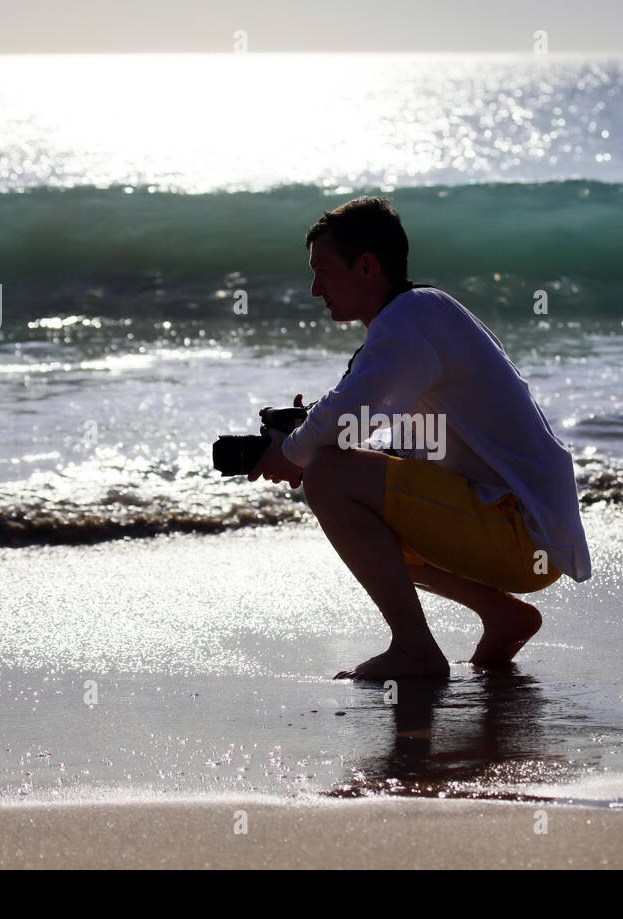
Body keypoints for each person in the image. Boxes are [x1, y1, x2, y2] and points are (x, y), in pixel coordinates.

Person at [249, 195, 591, 680]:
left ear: (366, 266)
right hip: (522, 533)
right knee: (343, 482)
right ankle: (501, 613)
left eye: (322, 271)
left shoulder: (409, 319)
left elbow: (348, 413)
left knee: (326, 474)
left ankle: (414, 650)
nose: (314, 288)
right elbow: (380, 435)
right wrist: (304, 437)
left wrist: (290, 451)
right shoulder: (420, 314)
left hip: (520, 532)